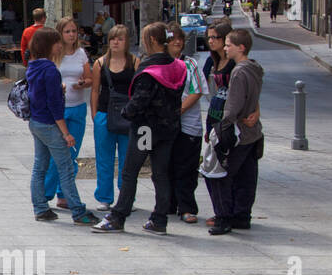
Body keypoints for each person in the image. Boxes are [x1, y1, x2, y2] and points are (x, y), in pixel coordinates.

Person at [93, 23, 185, 234]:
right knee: (160, 173)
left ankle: (118, 216)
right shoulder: (178, 67)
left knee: (130, 171)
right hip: (168, 128)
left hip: (146, 128)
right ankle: (159, 219)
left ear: (151, 40)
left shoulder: (149, 70)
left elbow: (139, 101)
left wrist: (126, 113)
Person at [25, 27, 96, 225]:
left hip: (36, 121)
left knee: (40, 167)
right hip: (49, 124)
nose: (59, 45)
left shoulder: (33, 66)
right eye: (57, 42)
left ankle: (40, 208)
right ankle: (78, 211)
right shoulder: (50, 70)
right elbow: (55, 106)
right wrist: (66, 133)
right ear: (49, 45)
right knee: (65, 167)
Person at [206, 29, 264, 235]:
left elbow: (234, 104)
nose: (225, 47)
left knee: (220, 173)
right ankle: (242, 215)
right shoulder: (254, 68)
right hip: (252, 132)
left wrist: (225, 126)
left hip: (238, 132)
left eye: (229, 44)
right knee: (247, 176)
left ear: (241, 47)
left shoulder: (239, 71)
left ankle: (224, 217)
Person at [44, 16, 93, 209]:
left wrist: (83, 83)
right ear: (60, 34)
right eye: (67, 31)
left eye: (74, 31)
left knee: (72, 154)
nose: (72, 35)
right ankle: (45, 193)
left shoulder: (81, 54)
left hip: (78, 107)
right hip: (58, 110)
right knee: (56, 154)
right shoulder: (54, 54)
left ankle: (63, 195)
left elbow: (90, 79)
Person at [89, 25, 136, 210]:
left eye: (120, 39)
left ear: (126, 42)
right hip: (104, 114)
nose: (116, 42)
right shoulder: (100, 63)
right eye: (112, 39)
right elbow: (94, 90)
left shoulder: (135, 62)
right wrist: (94, 115)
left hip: (127, 116)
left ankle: (125, 197)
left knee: (127, 158)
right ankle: (104, 197)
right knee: (104, 158)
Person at [166, 23, 207, 224]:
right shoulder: (159, 63)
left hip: (188, 125)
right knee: (167, 166)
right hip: (165, 126)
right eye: (173, 38)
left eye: (180, 39)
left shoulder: (190, 64)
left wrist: (178, 110)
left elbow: (197, 90)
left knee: (186, 167)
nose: (177, 42)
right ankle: (169, 203)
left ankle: (187, 207)